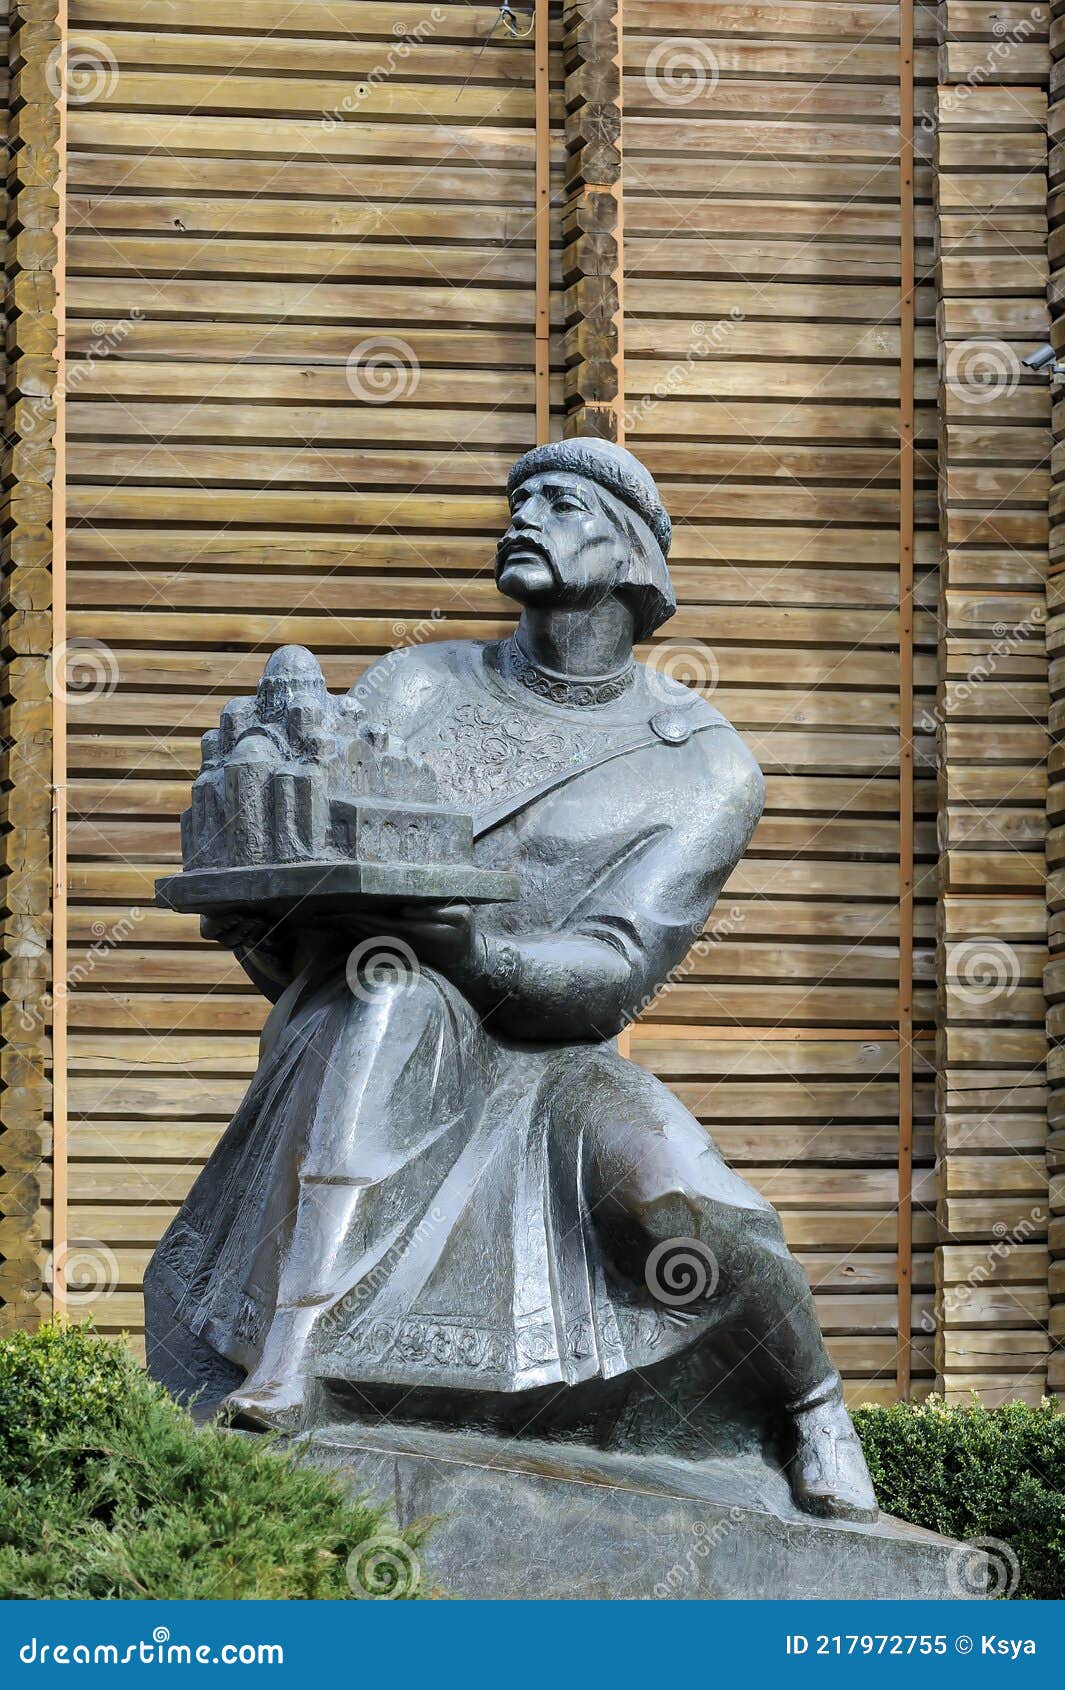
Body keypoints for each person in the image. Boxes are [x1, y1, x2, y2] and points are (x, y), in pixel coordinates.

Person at [145, 437, 877, 1523]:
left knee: (675, 1192)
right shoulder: (417, 683)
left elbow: (616, 971)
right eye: (519, 495)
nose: (525, 511)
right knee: (385, 998)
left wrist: (473, 950)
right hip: (381, 1006)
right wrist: (260, 918)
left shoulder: (702, 761)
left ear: (630, 550)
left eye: (562, 500)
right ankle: (292, 1358)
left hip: (551, 1058)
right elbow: (327, 852)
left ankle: (810, 1400)